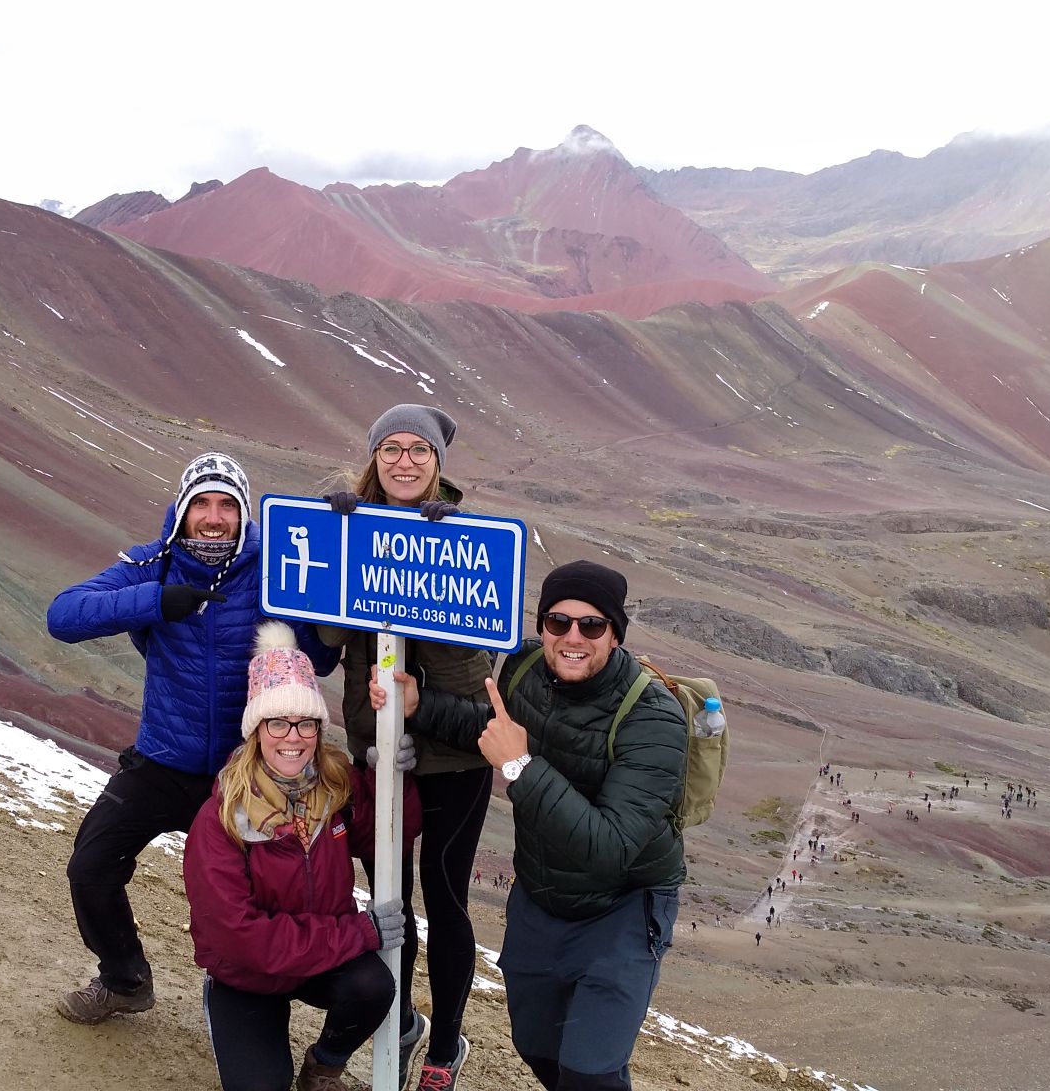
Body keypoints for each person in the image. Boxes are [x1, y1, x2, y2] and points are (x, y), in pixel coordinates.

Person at [47, 453, 338, 1024]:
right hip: (161, 760)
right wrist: (157, 602)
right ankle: (124, 979)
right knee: (92, 866)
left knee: (265, 900)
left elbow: (323, 657)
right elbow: (65, 615)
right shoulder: (154, 566)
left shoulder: (276, 570)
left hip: (246, 774)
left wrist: (328, 610)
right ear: (181, 511)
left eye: (226, 504)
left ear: (244, 514)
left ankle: (253, 1007)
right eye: (200, 503)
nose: (212, 517)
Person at [375, 560, 686, 1091]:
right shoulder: (525, 671)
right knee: (537, 1046)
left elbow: (610, 846)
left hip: (623, 908)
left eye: (592, 626)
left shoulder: (654, 718)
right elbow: (492, 728)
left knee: (589, 1071)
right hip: (542, 898)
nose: (572, 637)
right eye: (557, 622)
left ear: (615, 634)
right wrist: (421, 704)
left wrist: (520, 768)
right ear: (541, 625)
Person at [319, 402, 490, 1090]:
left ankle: (445, 1046)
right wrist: (334, 536)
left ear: (439, 463)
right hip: (375, 748)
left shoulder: (467, 538)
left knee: (444, 902)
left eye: (419, 448)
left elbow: (481, 663)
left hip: (453, 757)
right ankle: (401, 1021)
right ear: (374, 456)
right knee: (388, 898)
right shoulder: (349, 524)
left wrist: (438, 559)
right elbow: (329, 641)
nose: (404, 461)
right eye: (390, 447)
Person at [185, 623, 420, 1091]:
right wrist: (356, 932)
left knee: (373, 987)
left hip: (318, 958)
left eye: (306, 723)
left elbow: (387, 837)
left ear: (318, 728)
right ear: (256, 730)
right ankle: (229, 1014)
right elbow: (240, 938)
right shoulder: (221, 820)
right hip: (246, 973)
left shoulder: (335, 785)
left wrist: (391, 781)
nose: (292, 737)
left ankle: (324, 1066)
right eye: (277, 722)